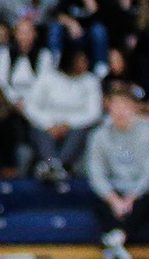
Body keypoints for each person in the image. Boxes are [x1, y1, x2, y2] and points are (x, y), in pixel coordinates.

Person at [84, 85, 149, 259]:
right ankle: (117, 242)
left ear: (134, 108)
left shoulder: (147, 132)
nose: (119, 111)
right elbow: (96, 173)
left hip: (137, 190)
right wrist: (114, 200)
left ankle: (115, 240)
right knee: (99, 200)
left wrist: (131, 198)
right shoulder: (99, 135)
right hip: (113, 189)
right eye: (115, 105)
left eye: (124, 106)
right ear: (108, 107)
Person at [23, 48, 103, 180]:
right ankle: (54, 164)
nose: (84, 64)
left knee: (81, 131)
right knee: (37, 128)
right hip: (48, 124)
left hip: (76, 125)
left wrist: (68, 124)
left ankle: (55, 166)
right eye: (79, 61)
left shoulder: (91, 80)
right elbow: (30, 106)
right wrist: (49, 124)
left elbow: (94, 113)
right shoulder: (48, 77)